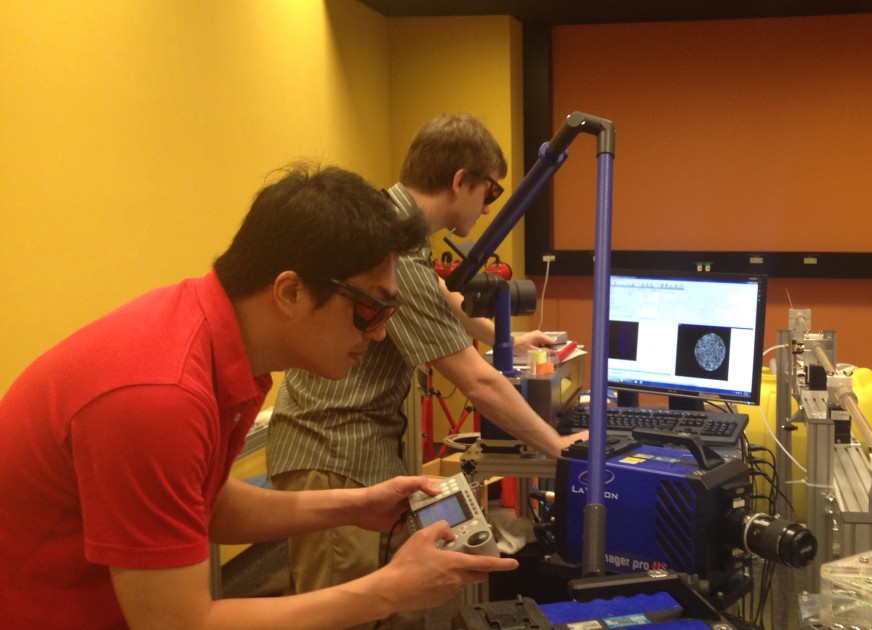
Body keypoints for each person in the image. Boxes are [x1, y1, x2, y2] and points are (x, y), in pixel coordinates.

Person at [0, 163, 518, 629]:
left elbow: (208, 504)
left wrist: (354, 505)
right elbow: (177, 625)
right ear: (290, 292)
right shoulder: (162, 396)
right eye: (371, 308)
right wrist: (387, 591)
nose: (381, 333)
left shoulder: (212, 340)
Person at [267, 115, 584, 626]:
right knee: (339, 614)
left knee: (386, 604)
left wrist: (505, 336)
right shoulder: (389, 244)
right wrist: (559, 446)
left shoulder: (390, 224)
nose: (488, 206)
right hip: (330, 453)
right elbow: (475, 381)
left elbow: (440, 295)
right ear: (461, 180)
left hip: (357, 448)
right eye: (490, 190)